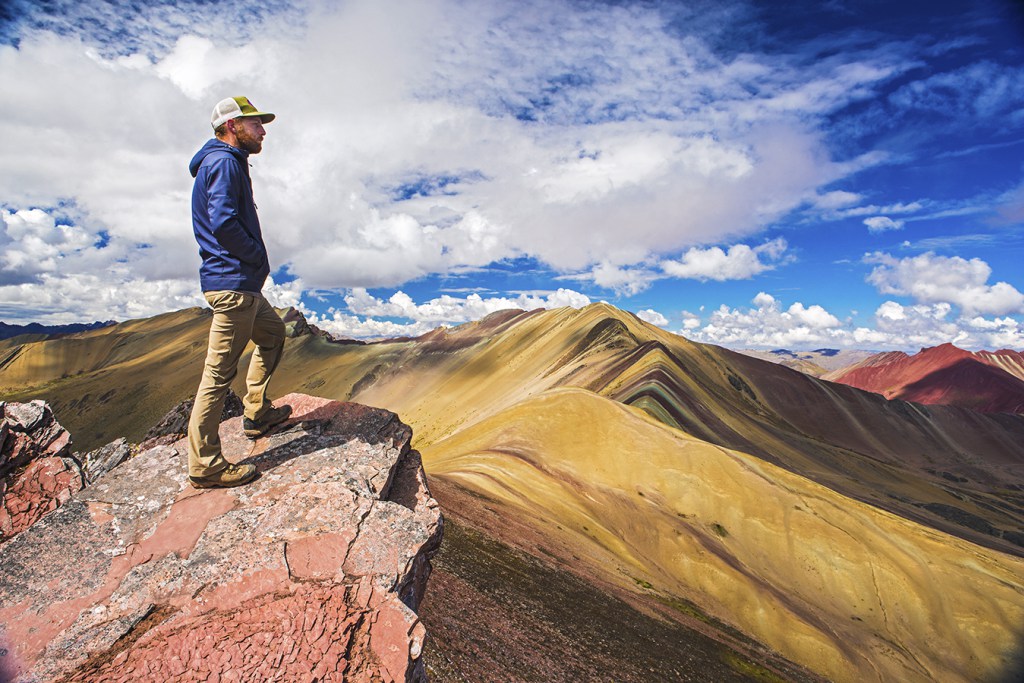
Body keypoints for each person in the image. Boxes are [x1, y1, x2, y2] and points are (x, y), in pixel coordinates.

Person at [185, 96, 291, 489]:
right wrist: (256, 257)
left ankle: (255, 412)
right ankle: (206, 465)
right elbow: (224, 222)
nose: (263, 130)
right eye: (256, 124)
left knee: (273, 335)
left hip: (240, 284)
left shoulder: (223, 162)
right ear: (233, 126)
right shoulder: (225, 162)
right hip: (234, 285)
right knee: (217, 376)